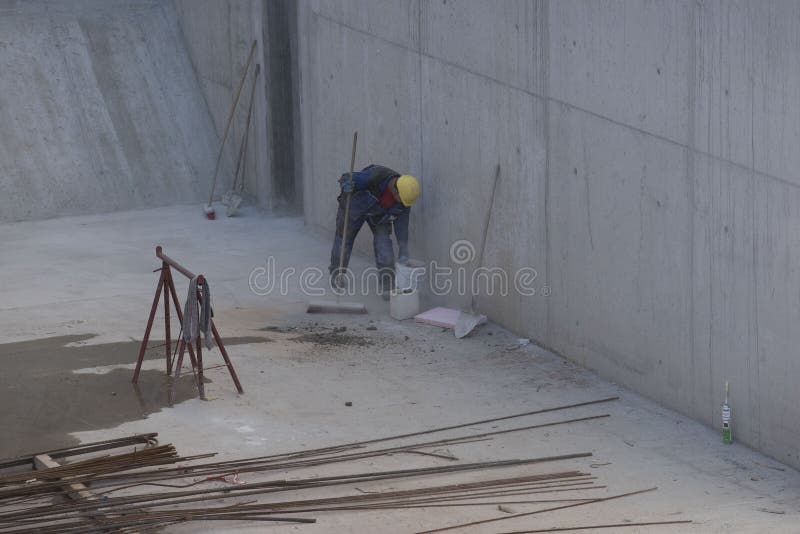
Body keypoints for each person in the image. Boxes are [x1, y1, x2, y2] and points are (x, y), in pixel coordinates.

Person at [329, 164, 420, 299]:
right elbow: (346, 177)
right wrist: (346, 184)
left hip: (379, 214)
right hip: (354, 207)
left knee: (384, 246)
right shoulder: (374, 176)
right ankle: (337, 274)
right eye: (400, 200)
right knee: (344, 241)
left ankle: (387, 285)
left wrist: (403, 248)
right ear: (395, 191)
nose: (402, 204)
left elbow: (402, 226)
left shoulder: (405, 197)